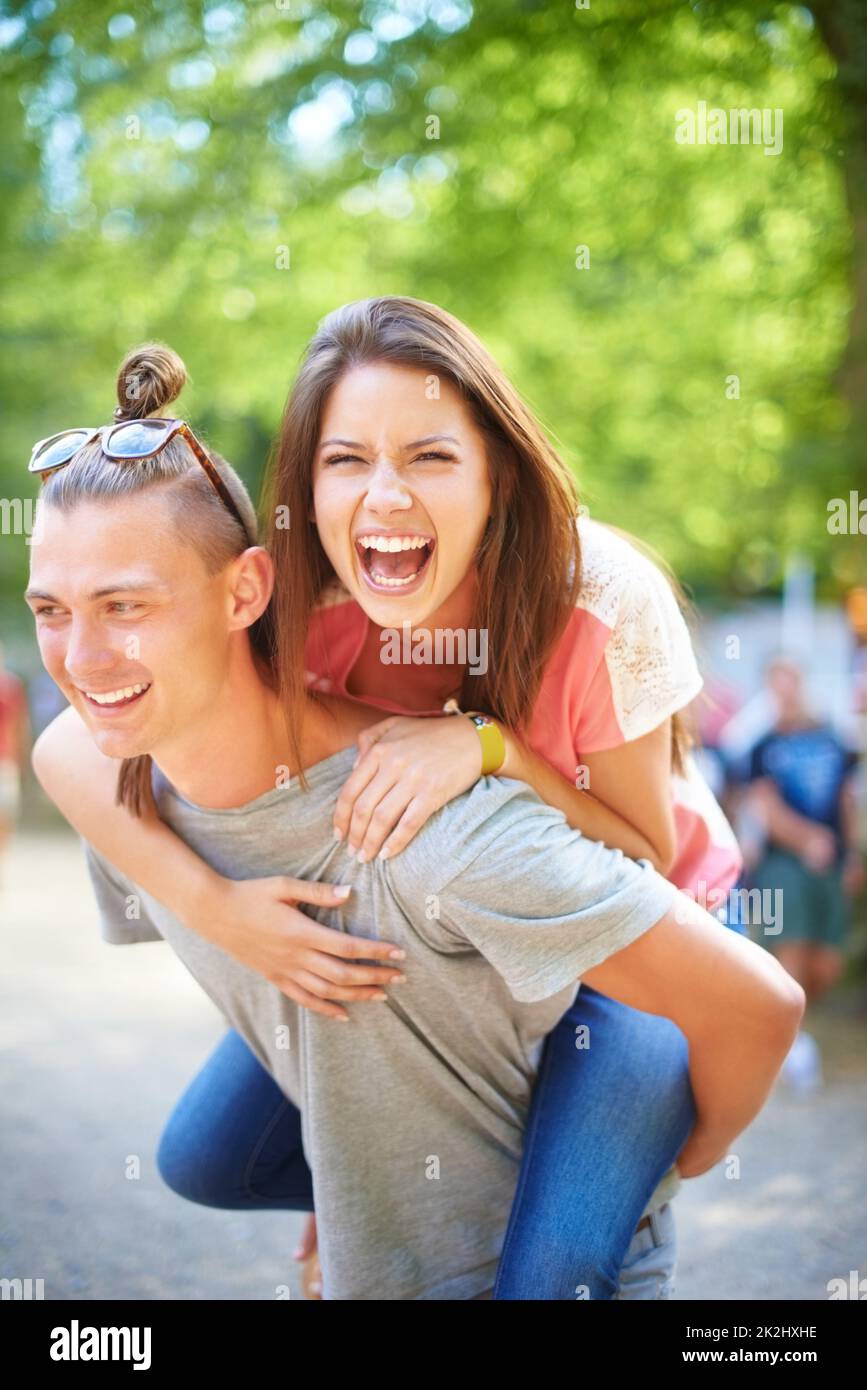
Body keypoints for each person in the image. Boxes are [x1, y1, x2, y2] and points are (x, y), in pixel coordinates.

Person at [25, 361, 804, 1299]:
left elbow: (643, 857)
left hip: (634, 922)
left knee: (555, 1261)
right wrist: (219, 908)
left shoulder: (596, 596)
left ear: (494, 474)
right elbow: (70, 743)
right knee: (206, 1155)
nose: (382, 496)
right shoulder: (315, 603)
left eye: (429, 455)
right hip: (472, 922)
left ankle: (594, 1209)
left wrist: (489, 748)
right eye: (344, 459)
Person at [740, 654, 863, 1092]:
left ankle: (794, 1030)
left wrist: (850, 854)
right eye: (777, 681)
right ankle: (792, 1048)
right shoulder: (760, 747)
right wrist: (808, 839)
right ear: (770, 688)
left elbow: (847, 800)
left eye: (791, 679)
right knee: (788, 952)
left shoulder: (833, 739)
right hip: (783, 866)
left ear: (801, 681)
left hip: (832, 864)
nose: (786, 688)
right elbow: (765, 808)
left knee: (827, 960)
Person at [0, 640, 29, 885]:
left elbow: (18, 727)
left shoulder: (9, 687)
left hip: (4, 761)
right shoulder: (10, 686)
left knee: (4, 815)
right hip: (6, 761)